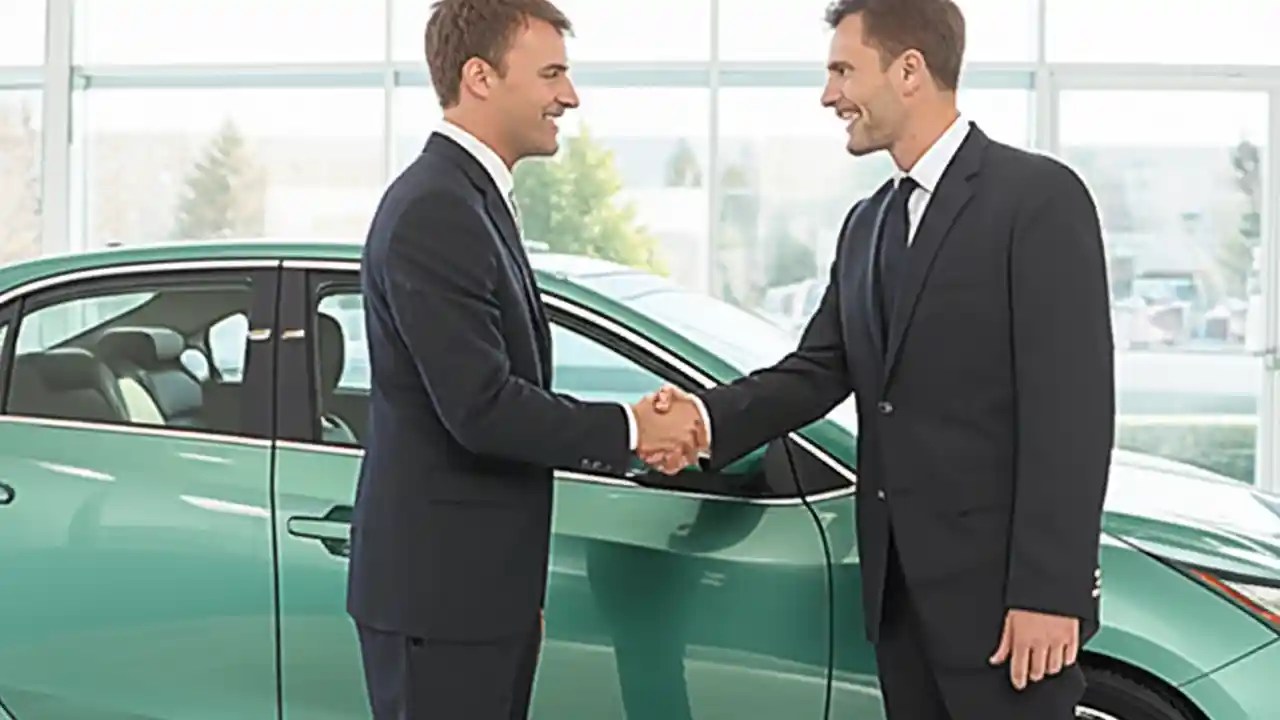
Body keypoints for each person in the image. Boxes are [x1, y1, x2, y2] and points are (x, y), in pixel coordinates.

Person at [643, 0, 1115, 717]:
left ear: (909, 71)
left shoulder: (1038, 200)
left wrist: (1051, 593)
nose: (830, 95)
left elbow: (1073, 413)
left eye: (842, 70)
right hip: (900, 604)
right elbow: (815, 371)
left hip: (1006, 612)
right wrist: (704, 419)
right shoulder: (868, 225)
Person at [347, 1, 702, 717]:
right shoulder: (436, 209)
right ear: (479, 76)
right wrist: (635, 430)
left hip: (475, 595)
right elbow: (483, 409)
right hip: (442, 600)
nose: (568, 97)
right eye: (551, 74)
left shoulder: (470, 199)